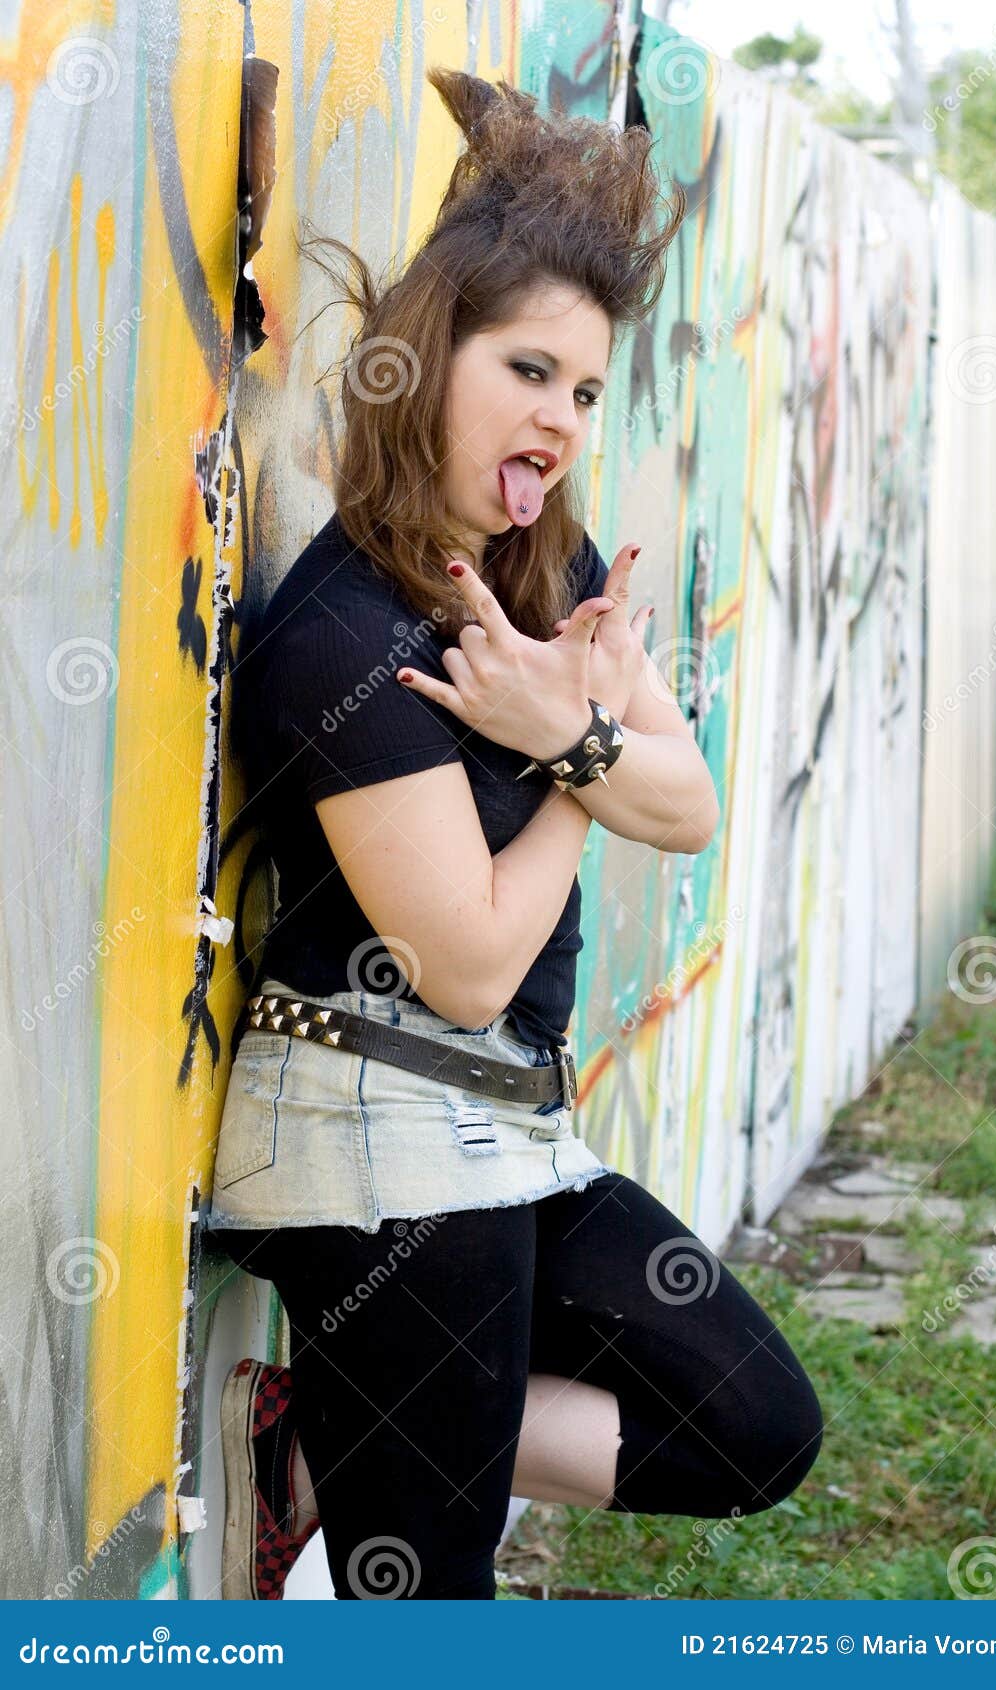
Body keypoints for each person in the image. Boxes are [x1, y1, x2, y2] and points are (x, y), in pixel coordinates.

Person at [205, 65, 823, 1602]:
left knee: (752, 1423)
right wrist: (566, 757)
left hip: (516, 1130)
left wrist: (578, 730)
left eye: (588, 389)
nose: (562, 417)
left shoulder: (547, 577)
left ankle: (317, 1449)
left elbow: (683, 809)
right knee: (435, 1597)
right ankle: (368, 1460)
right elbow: (472, 959)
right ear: (431, 363)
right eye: (531, 371)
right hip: (374, 1123)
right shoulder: (344, 633)